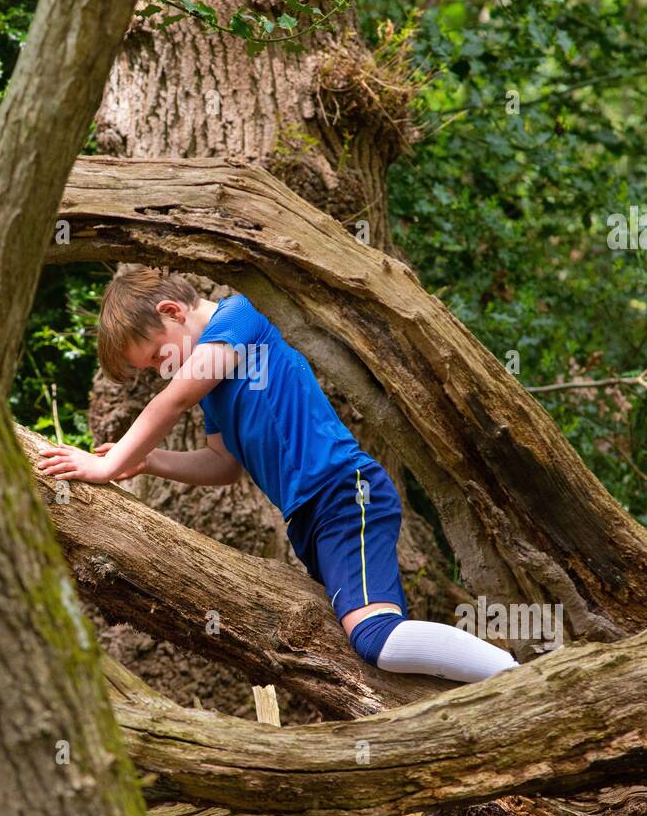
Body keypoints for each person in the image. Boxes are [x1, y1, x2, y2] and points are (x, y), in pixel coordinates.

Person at [37, 269, 520, 683]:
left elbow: (174, 399)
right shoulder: (213, 390)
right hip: (310, 517)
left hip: (342, 492)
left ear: (173, 312)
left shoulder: (240, 316)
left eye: (159, 357)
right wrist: (150, 460)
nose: (165, 372)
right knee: (369, 644)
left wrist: (109, 463)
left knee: (376, 639)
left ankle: (520, 678)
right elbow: (223, 465)